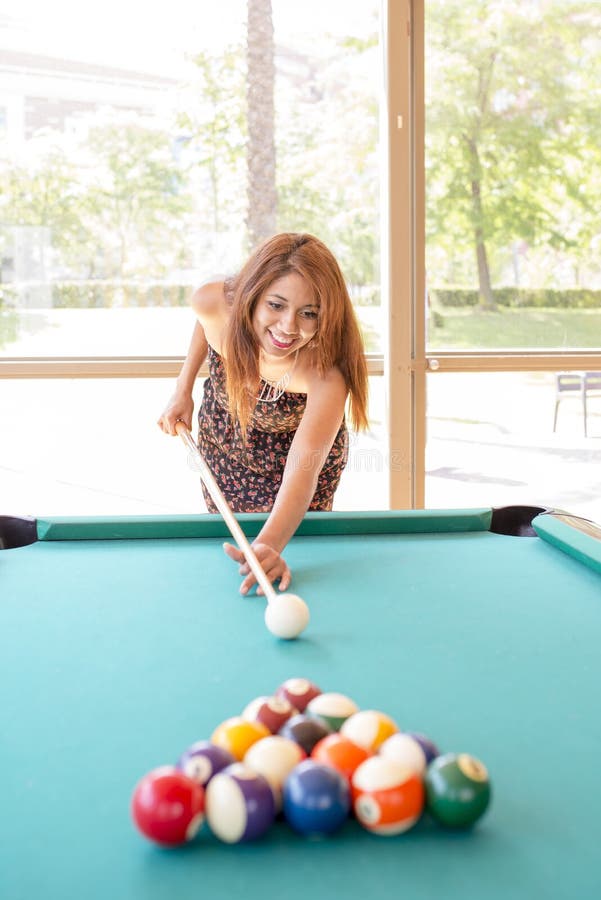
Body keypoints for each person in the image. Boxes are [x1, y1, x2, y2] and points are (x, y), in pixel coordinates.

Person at [158, 232, 368, 595]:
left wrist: (269, 546)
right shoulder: (212, 299)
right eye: (276, 305)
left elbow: (302, 474)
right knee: (235, 542)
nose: (288, 327)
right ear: (250, 297)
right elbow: (207, 322)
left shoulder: (327, 376)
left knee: (291, 544)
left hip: (298, 459)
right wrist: (183, 388)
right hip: (227, 441)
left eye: (308, 313)